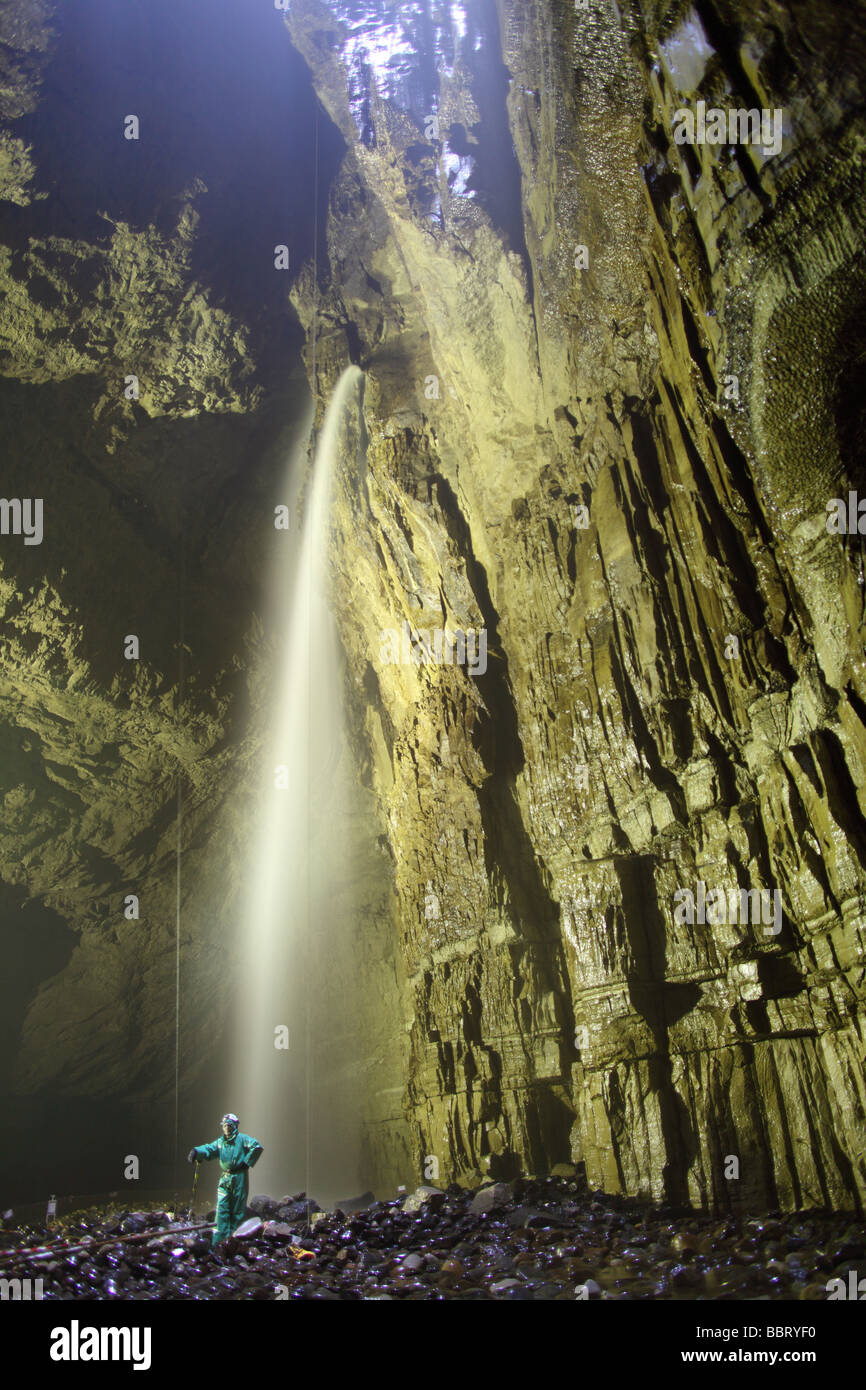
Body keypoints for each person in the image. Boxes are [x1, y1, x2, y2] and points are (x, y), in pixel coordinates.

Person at [188, 1113, 263, 1246]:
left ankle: (234, 1242)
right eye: (225, 1126)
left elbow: (256, 1146)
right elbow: (209, 1149)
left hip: (239, 1177)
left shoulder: (242, 1140)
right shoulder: (221, 1142)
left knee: (237, 1210)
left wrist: (247, 1162)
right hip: (225, 1177)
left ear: (235, 1126)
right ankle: (219, 1242)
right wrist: (196, 1151)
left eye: (229, 1125)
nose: (227, 1128)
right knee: (222, 1208)